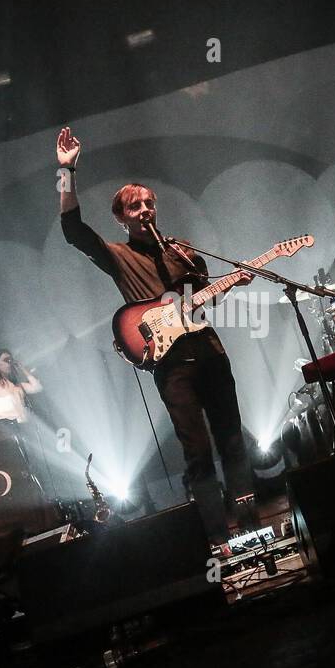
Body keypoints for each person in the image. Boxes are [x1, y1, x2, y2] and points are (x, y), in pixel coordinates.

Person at [56, 125, 256, 545]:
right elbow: (74, 231)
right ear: (121, 217)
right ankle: (218, 538)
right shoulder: (119, 256)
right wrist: (66, 171)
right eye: (135, 206)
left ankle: (253, 526)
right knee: (198, 451)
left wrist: (231, 282)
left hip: (209, 350)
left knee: (233, 439)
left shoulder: (182, 251)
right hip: (170, 363)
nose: (145, 209)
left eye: (149, 203)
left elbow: (203, 295)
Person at [0, 349, 43, 425]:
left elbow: (37, 387)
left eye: (10, 360)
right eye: (6, 360)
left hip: (25, 427)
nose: (9, 363)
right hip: (7, 430)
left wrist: (22, 368)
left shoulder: (17, 386)